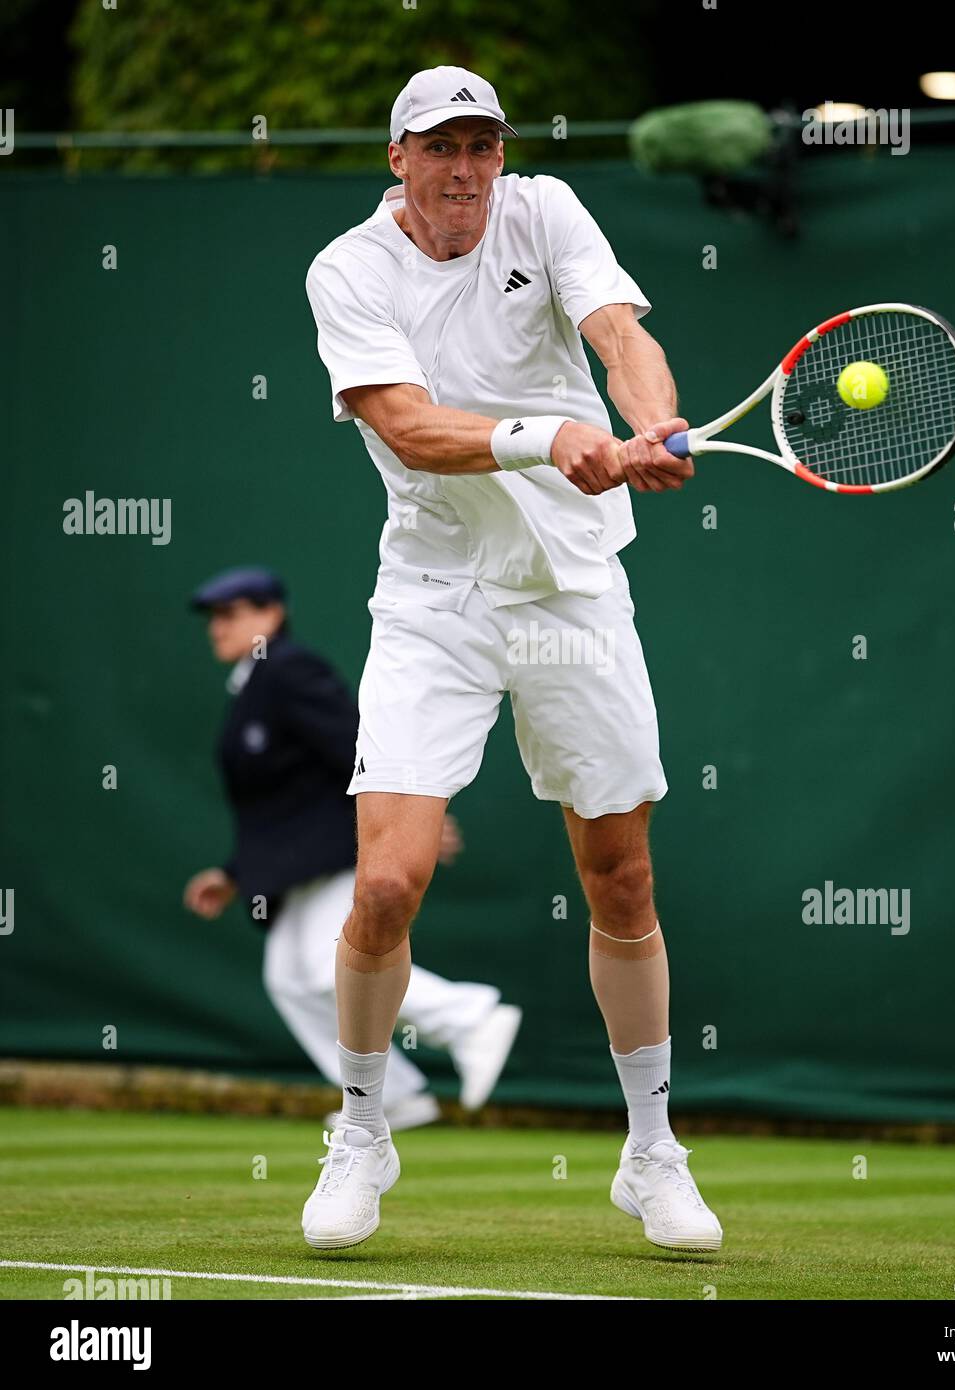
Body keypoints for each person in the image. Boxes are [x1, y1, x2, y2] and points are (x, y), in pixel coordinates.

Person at [301, 65, 722, 1253]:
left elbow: (618, 335)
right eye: (442, 148)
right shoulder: (350, 270)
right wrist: (554, 437)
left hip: (573, 592)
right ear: (400, 160)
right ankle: (362, 1130)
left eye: (483, 147)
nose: (467, 170)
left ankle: (651, 1154)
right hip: (434, 600)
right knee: (385, 882)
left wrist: (646, 418)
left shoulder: (542, 210)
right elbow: (409, 427)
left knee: (621, 878)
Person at [183, 565, 522, 1129]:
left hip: (342, 849)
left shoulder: (290, 670)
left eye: (231, 614)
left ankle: (471, 1019)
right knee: (289, 979)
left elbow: (353, 742)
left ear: (271, 615)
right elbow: (275, 807)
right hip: (296, 863)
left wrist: (411, 817)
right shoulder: (251, 686)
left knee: (323, 966)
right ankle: (396, 1097)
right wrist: (234, 872)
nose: (217, 627)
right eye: (213, 618)